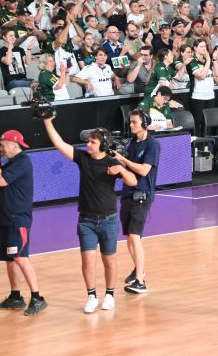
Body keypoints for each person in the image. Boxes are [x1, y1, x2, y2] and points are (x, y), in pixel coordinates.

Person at [43, 115, 137, 313]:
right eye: (88, 141)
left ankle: (110, 295)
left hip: (109, 219)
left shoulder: (112, 163)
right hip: (86, 220)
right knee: (87, 260)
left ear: (102, 145)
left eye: (92, 142)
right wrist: (47, 121)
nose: (88, 144)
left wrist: (120, 168)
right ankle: (92, 296)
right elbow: (60, 144)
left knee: (109, 259)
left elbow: (133, 181)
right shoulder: (83, 159)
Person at [0, 129, 47, 315]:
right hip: (6, 218)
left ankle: (37, 298)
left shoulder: (22, 161)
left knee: (20, 257)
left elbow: (1, 181)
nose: (1, 149)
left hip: (17, 218)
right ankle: (15, 297)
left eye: (3, 146)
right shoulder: (12, 161)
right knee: (9, 258)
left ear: (14, 145)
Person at [114, 109, 161, 295]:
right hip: (127, 193)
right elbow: (125, 169)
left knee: (134, 236)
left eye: (134, 122)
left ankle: (140, 281)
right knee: (129, 238)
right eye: (130, 122)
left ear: (145, 123)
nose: (131, 125)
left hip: (142, 195)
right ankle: (137, 269)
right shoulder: (130, 144)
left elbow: (143, 170)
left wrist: (123, 160)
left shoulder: (152, 145)